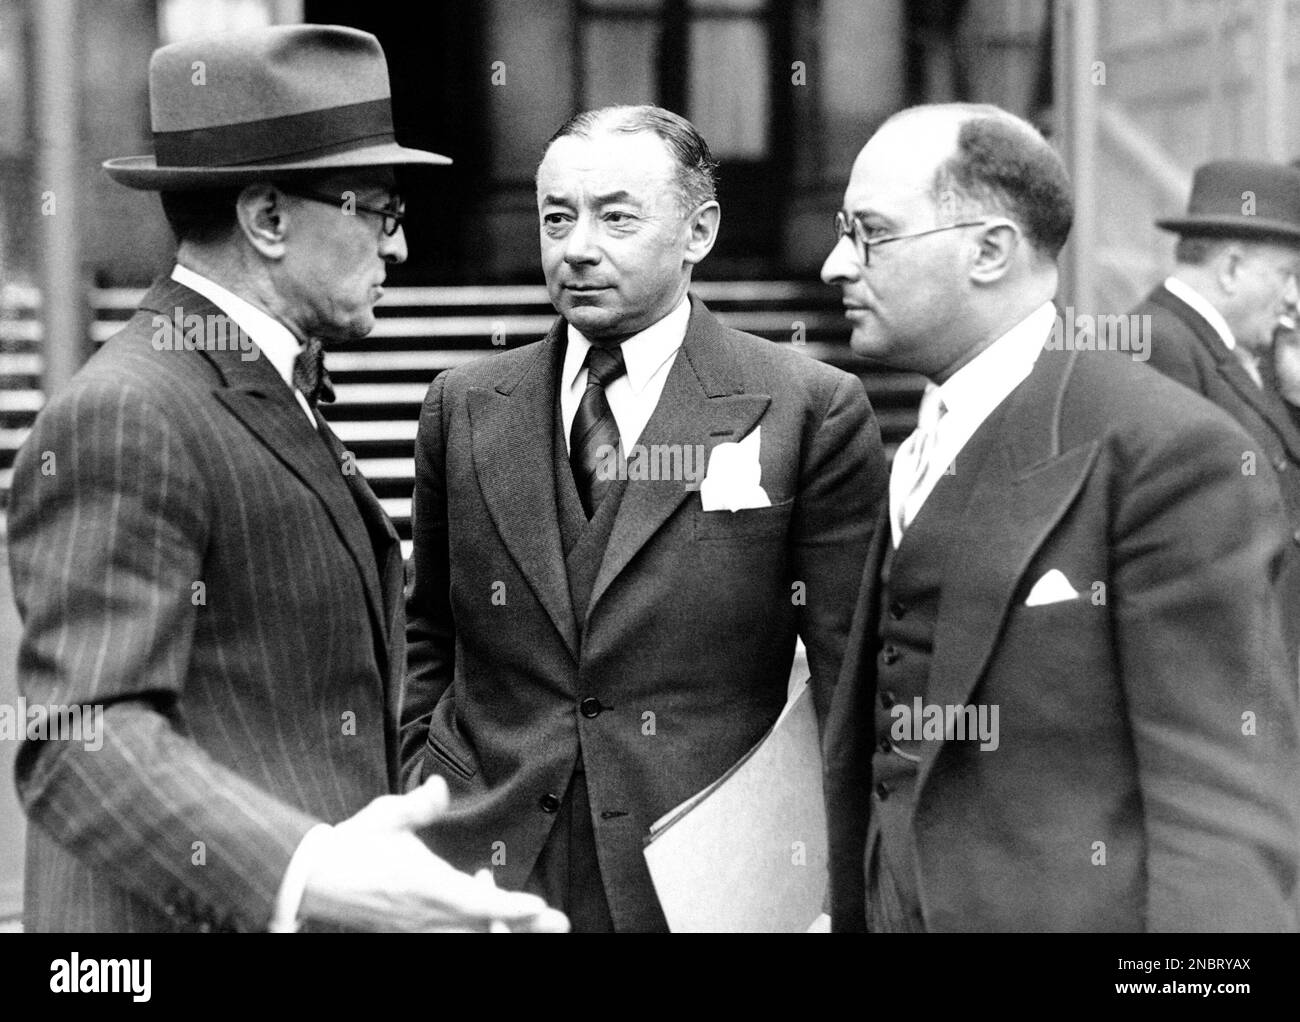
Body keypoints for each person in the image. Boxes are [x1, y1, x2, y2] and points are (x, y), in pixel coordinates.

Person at [7, 24, 563, 933]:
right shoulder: (133, 410)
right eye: (379, 210)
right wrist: (309, 874)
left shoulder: (253, 381)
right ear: (267, 219)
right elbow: (80, 741)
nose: (400, 248)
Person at [402, 104, 886, 932]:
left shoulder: (807, 408)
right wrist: (425, 779)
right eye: (557, 218)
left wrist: (837, 885)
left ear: (699, 232)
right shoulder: (463, 405)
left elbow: (850, 680)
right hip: (487, 869)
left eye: (616, 216)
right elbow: (429, 636)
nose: (577, 247)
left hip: (707, 877)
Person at [820, 103, 1300, 932]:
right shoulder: (918, 443)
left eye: (871, 233)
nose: (835, 264)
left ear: (990, 249)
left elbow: (1222, 808)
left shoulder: (1167, 453)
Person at [1134, 159, 1300, 661]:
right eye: (1286, 275)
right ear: (1230, 268)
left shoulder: (1223, 348)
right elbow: (1178, 539)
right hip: (1229, 656)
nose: (1293, 298)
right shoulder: (1159, 344)